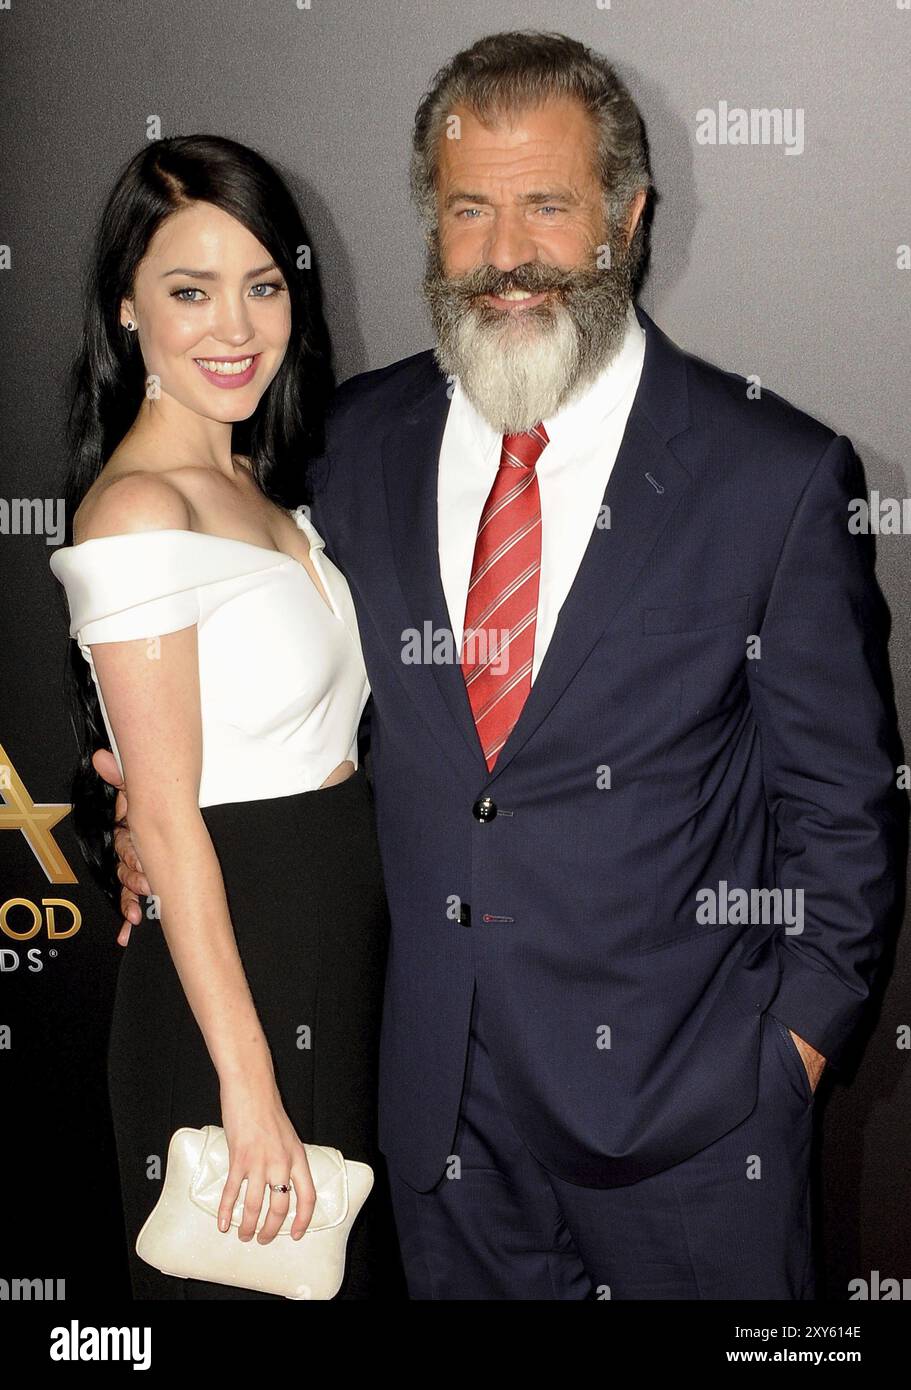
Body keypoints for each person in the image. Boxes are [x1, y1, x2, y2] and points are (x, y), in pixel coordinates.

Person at [101, 34, 906, 1299]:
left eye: (546, 204)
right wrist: (147, 803)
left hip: (692, 1139)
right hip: (430, 1128)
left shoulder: (774, 476)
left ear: (625, 220)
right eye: (468, 208)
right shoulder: (358, 440)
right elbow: (232, 639)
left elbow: (842, 813)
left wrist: (784, 1058)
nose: (503, 251)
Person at [50, 133, 405, 1300]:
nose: (234, 328)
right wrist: (247, 1086)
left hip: (325, 951)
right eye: (188, 291)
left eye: (261, 286)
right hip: (230, 986)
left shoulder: (261, 488)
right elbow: (167, 815)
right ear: (127, 312)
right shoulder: (140, 511)